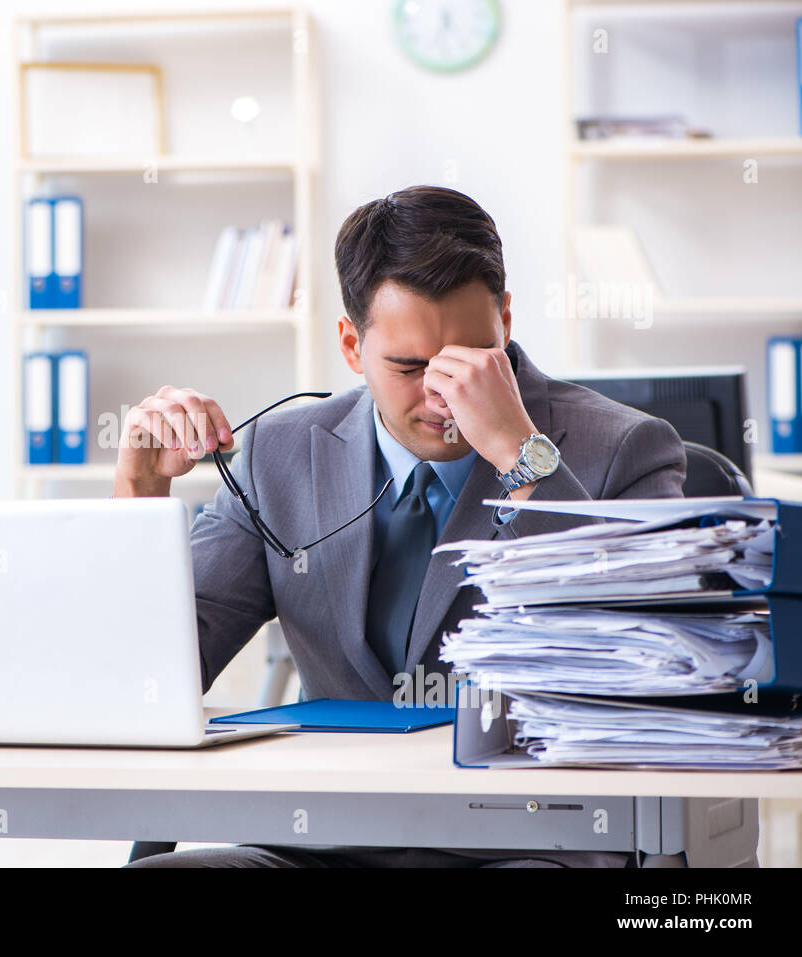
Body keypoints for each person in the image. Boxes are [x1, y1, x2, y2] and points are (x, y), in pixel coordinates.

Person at [114, 185, 687, 868]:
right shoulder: (278, 454)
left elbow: (649, 671)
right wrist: (141, 493)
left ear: (506, 321)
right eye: (411, 367)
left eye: (472, 360)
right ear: (352, 345)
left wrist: (521, 454)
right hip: (324, 841)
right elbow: (150, 679)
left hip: (534, 841)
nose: (441, 396)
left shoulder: (625, 447)